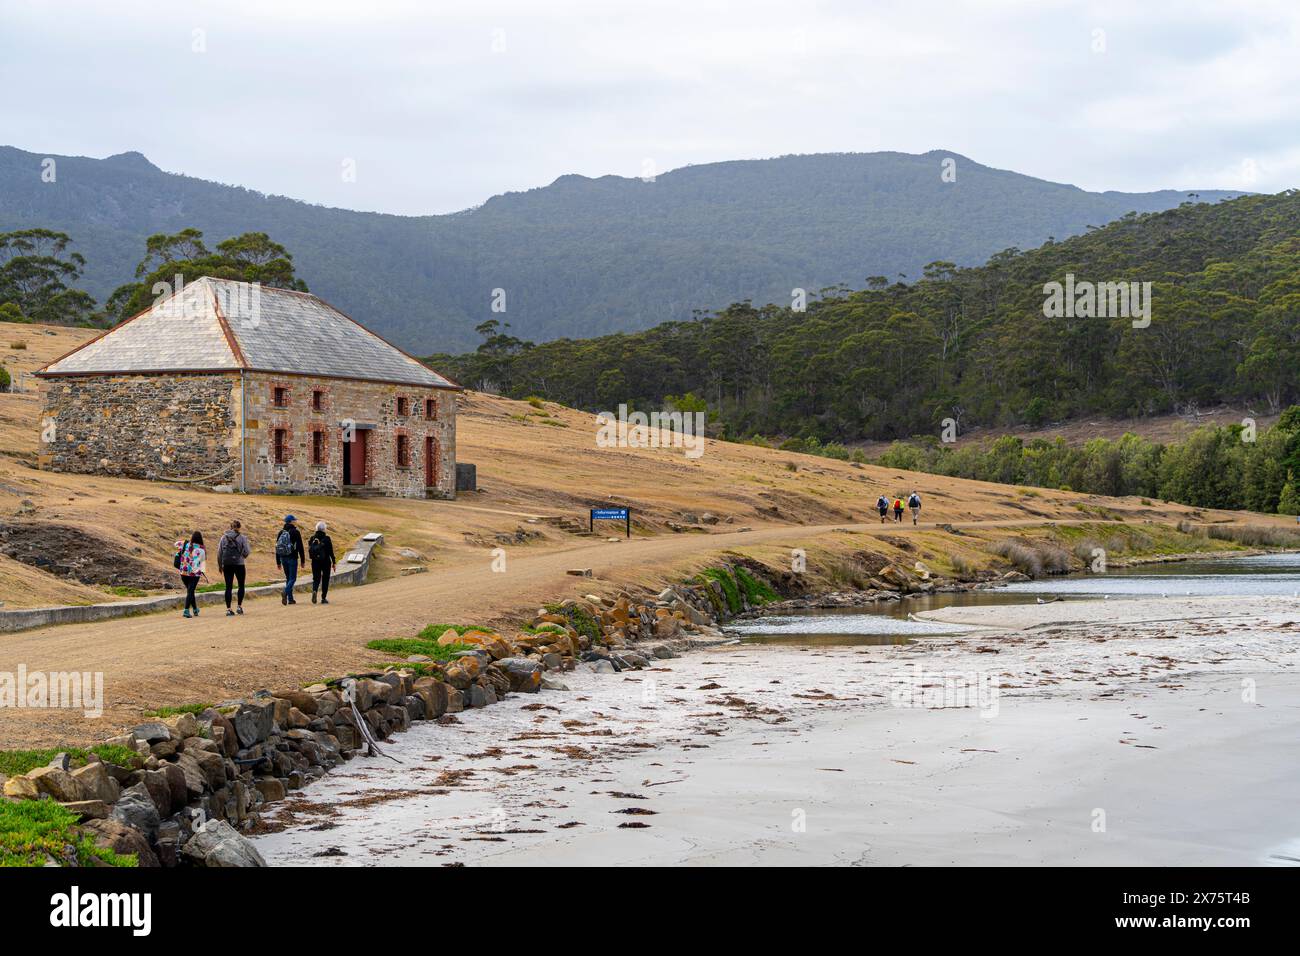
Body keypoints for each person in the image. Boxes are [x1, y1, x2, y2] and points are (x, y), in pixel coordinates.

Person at [217, 519, 251, 616]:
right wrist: (243, 556)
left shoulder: (223, 538)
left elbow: (219, 553)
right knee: (241, 585)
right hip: (239, 564)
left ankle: (228, 609)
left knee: (228, 587)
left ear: (230, 527)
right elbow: (247, 551)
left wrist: (220, 565)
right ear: (239, 527)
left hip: (227, 564)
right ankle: (239, 607)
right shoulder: (243, 538)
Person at [174, 531, 208, 618]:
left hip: (183, 572)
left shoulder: (186, 544)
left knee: (190, 591)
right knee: (190, 591)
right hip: (194, 574)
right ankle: (186, 610)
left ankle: (195, 609)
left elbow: (176, 544)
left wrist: (181, 548)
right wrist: (202, 572)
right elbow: (203, 563)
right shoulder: (202, 549)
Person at [275, 514, 305, 605]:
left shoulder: (281, 532)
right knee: (293, 578)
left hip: (283, 558)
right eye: (295, 520)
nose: (296, 521)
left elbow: (277, 547)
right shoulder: (295, 532)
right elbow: (300, 547)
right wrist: (303, 560)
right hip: (292, 558)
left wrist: (278, 561)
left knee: (288, 578)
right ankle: (285, 591)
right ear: (291, 521)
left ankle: (290, 599)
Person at [308, 521, 337, 605]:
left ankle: (314, 590)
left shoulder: (312, 538)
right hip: (326, 561)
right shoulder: (327, 539)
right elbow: (331, 552)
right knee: (325, 579)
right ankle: (323, 598)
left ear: (316, 529)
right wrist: (334, 562)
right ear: (324, 529)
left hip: (315, 562)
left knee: (316, 578)